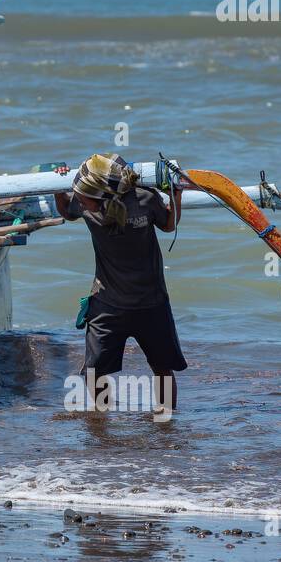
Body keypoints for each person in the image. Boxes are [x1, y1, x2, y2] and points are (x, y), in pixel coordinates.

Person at [54, 154, 185, 414]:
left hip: (150, 302)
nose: (79, 200)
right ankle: (102, 420)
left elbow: (169, 225)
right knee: (95, 371)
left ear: (103, 195)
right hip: (108, 302)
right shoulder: (90, 204)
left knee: (161, 367)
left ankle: (166, 421)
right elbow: (67, 211)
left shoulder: (143, 199)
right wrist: (58, 187)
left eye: (82, 197)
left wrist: (176, 196)